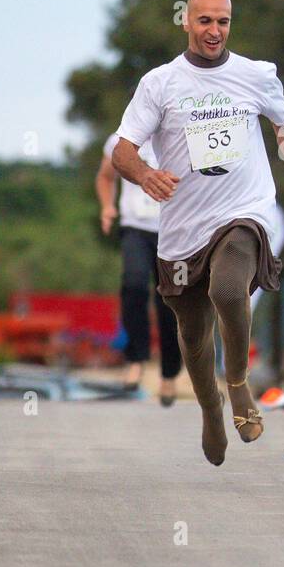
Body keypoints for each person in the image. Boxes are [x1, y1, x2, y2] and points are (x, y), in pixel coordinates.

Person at [112, 0, 284, 465]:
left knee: (230, 290)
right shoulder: (160, 84)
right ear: (186, 21)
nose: (214, 31)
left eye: (223, 22)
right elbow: (122, 150)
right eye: (205, 21)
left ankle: (239, 384)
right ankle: (210, 408)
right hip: (184, 227)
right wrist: (145, 174)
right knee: (191, 329)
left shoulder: (255, 75)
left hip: (242, 212)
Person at [96, 129, 182, 405]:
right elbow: (105, 176)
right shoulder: (119, 142)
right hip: (135, 227)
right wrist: (107, 207)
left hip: (173, 228)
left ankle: (169, 375)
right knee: (133, 285)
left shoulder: (179, 134)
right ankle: (135, 359)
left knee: (169, 300)